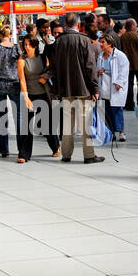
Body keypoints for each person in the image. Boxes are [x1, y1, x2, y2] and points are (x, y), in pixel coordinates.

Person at [52, 13, 104, 164]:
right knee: (86, 124)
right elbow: (90, 66)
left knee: (67, 124)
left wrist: (57, 89)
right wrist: (95, 88)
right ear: (78, 23)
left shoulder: (58, 42)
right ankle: (89, 155)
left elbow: (54, 68)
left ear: (65, 24)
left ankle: (66, 154)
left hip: (66, 90)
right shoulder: (84, 40)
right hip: (83, 90)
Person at [0, 26, 27, 160]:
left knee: (2, 117)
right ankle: (21, 149)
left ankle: (4, 149)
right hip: (14, 84)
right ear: (10, 35)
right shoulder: (16, 48)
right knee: (18, 117)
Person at [18, 33, 59, 159]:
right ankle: (24, 155)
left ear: (35, 45)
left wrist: (45, 77)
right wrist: (26, 98)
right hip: (30, 94)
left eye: (30, 44)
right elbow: (22, 80)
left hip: (44, 94)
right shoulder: (21, 61)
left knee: (46, 124)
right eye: (25, 44)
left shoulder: (42, 58)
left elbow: (51, 70)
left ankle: (56, 147)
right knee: (27, 126)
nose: (27, 47)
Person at [97, 32, 129, 141]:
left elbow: (124, 71)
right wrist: (98, 72)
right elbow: (97, 70)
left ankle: (121, 131)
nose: (100, 44)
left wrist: (119, 82)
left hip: (115, 86)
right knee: (107, 110)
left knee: (117, 109)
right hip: (104, 85)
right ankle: (111, 132)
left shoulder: (119, 55)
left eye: (103, 42)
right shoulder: (100, 56)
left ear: (110, 43)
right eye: (100, 42)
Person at [119, 19, 138, 113]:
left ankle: (129, 104)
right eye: (136, 25)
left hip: (127, 65)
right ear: (132, 26)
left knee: (128, 85)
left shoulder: (123, 37)